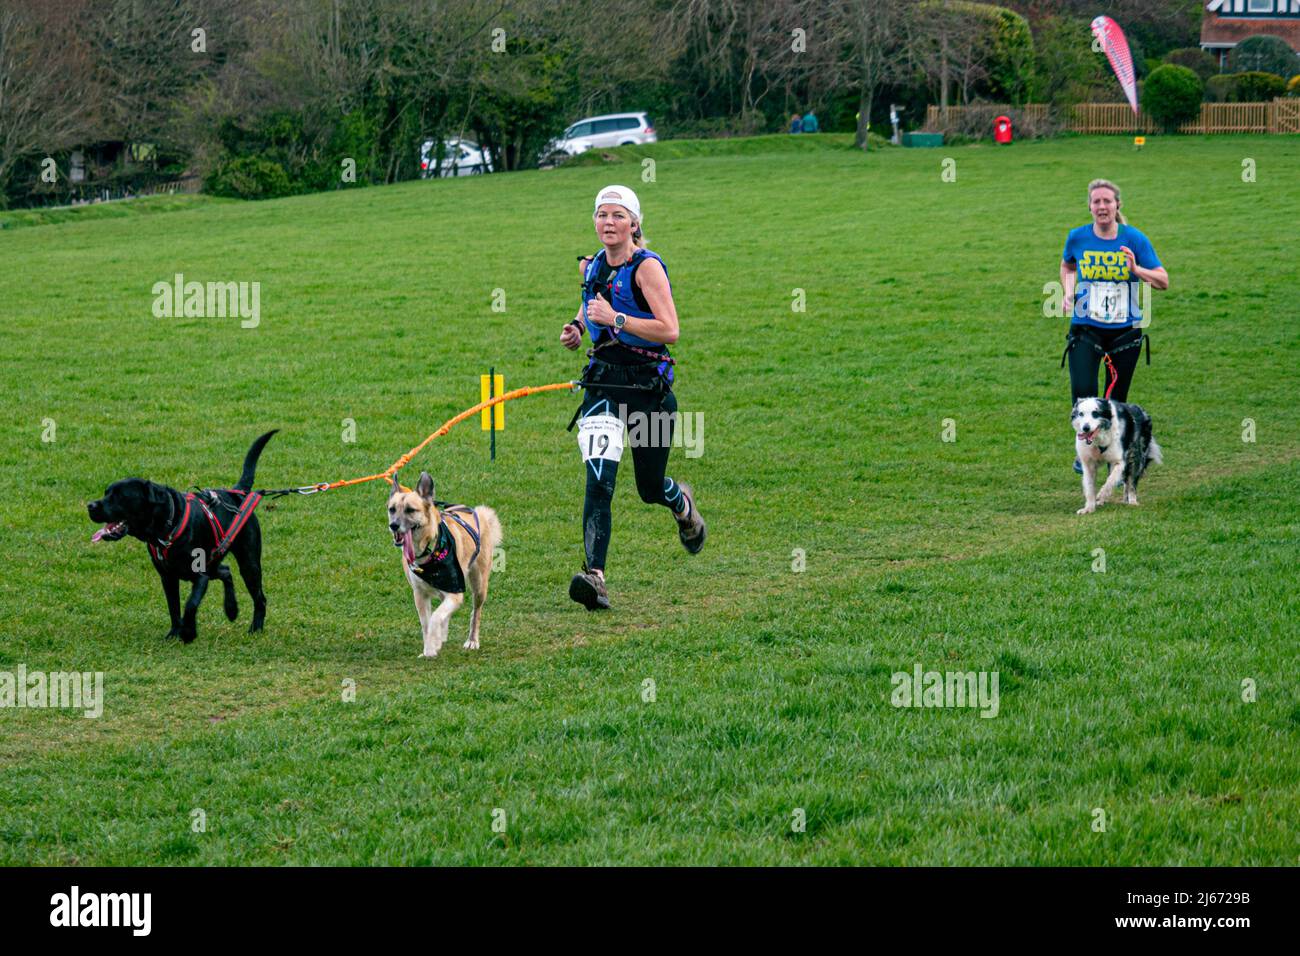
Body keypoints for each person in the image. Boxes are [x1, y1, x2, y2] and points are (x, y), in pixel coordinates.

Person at [559, 185, 706, 610]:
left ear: (634, 224)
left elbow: (670, 330)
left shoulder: (647, 268)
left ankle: (681, 503)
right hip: (603, 383)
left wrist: (617, 318)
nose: (608, 222)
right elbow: (591, 306)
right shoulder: (593, 267)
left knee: (647, 488)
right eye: (602, 214)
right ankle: (595, 577)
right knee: (599, 480)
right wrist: (577, 326)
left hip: (647, 388)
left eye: (617, 216)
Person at [1060, 178, 1168, 473]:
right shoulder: (1077, 237)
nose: (1102, 206)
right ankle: (1085, 453)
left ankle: (1113, 457)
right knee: (1082, 393)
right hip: (1085, 327)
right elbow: (1068, 265)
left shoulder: (1134, 239)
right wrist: (1068, 291)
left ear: (1117, 205)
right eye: (1097, 201)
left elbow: (1163, 281)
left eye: (1107, 201)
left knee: (1115, 402)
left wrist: (1136, 270)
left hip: (1124, 332)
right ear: (1090, 207)